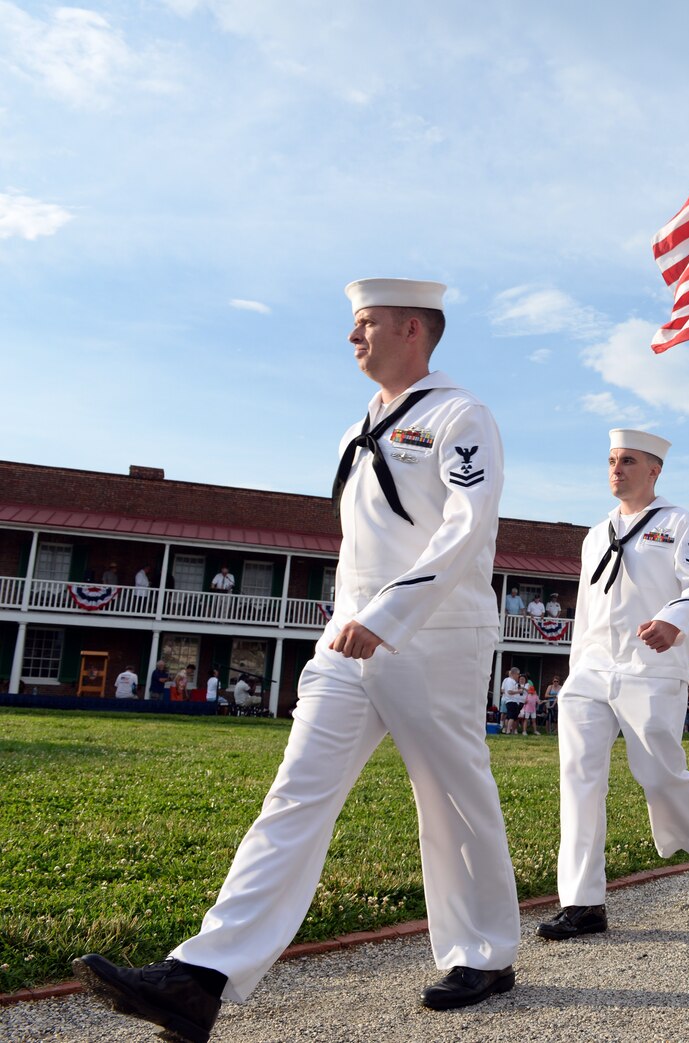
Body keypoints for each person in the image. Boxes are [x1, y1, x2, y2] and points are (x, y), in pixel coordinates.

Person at [74, 277, 519, 1039]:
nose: (353, 339)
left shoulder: (459, 415)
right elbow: (362, 543)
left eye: (366, 324)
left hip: (435, 635)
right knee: (295, 794)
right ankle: (201, 976)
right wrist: (351, 615)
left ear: (412, 329)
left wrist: (388, 613)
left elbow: (466, 527)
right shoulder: (357, 429)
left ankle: (485, 951)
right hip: (349, 640)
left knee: (449, 796)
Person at [538, 429, 689, 941]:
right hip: (593, 668)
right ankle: (583, 903)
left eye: (628, 461)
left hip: (649, 665)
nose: (616, 469)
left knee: (658, 773)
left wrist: (673, 620)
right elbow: (590, 606)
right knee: (578, 779)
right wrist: (576, 670)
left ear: (654, 471)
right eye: (611, 461)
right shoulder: (596, 532)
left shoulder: (677, 524)